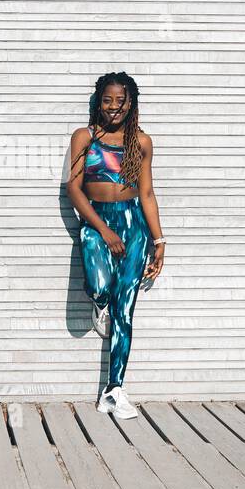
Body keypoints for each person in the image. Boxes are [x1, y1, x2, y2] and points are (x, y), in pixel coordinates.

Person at [64, 72, 165, 419]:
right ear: (98, 101)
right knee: (100, 286)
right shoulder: (85, 137)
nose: (114, 107)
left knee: (125, 313)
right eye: (108, 100)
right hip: (97, 222)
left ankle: (113, 391)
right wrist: (103, 230)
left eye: (121, 101)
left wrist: (159, 240)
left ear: (131, 103)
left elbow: (148, 194)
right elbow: (74, 189)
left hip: (134, 224)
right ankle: (98, 301)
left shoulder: (141, 142)